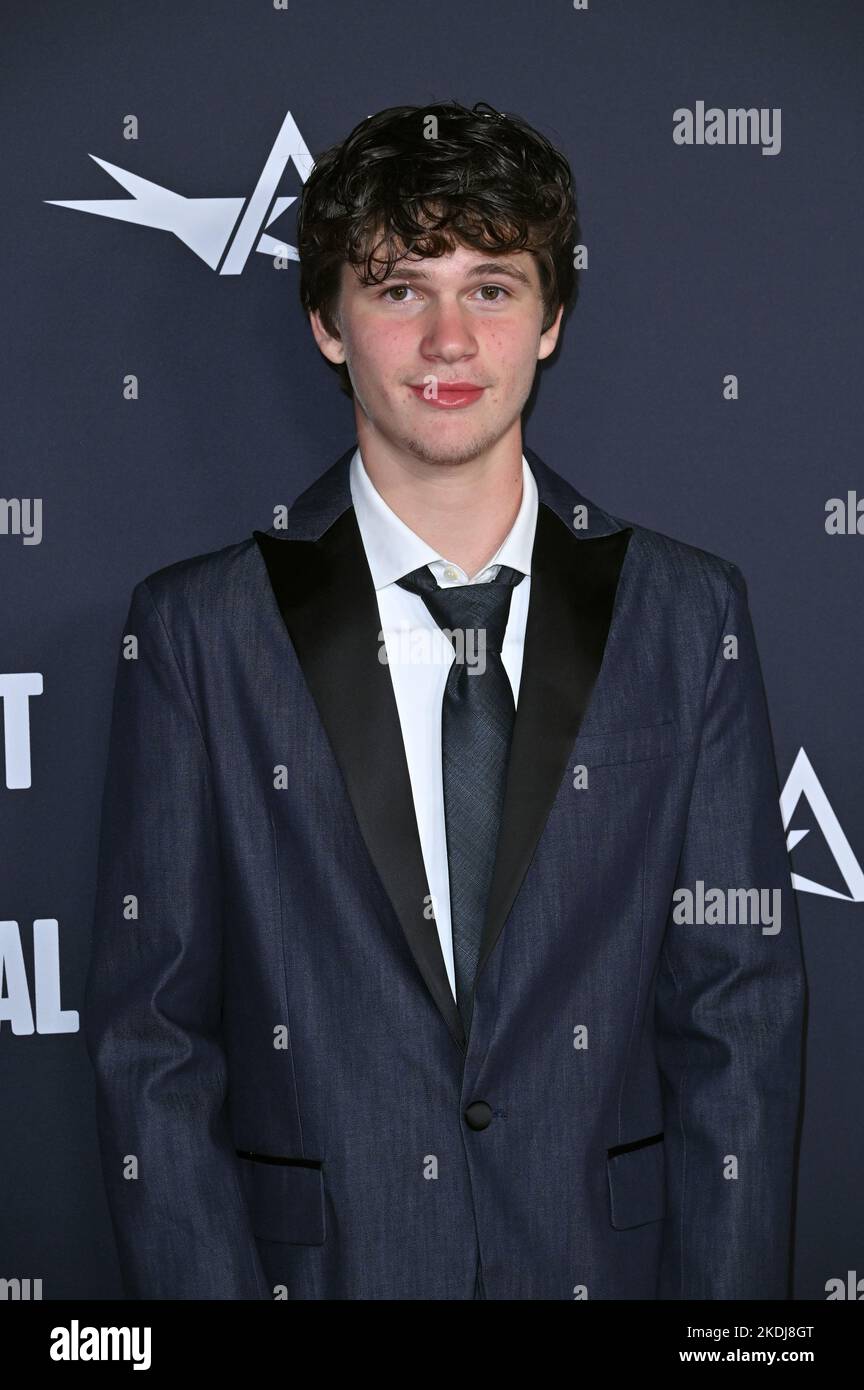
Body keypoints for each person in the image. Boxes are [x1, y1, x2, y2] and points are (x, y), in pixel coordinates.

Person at [84, 99, 806, 1300]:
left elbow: (741, 1020)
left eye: (492, 286)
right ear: (327, 324)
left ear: (552, 318)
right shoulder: (198, 632)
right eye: (399, 287)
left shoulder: (687, 616)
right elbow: (151, 1041)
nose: (448, 340)